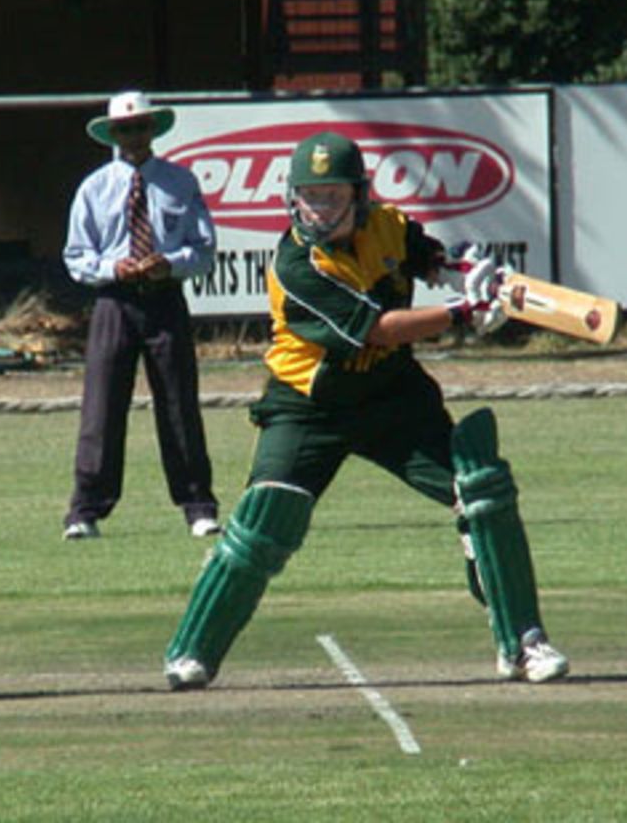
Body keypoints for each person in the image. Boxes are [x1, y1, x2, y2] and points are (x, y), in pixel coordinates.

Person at [163, 131, 569, 689]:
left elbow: (425, 258)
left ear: (360, 195)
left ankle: (523, 642)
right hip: (310, 406)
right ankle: (192, 651)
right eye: (309, 196)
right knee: (265, 521)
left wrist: (462, 271)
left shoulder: (388, 225)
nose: (319, 209)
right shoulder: (296, 266)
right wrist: (463, 311)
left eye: (332, 196)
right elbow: (380, 329)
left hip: (392, 395)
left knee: (482, 489)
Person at [61, 90, 220, 541]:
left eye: (140, 126)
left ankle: (198, 506)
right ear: (112, 134)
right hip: (114, 302)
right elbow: (76, 255)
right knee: (102, 407)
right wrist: (113, 267)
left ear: (154, 129)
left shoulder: (181, 182)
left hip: (165, 299)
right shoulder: (94, 188)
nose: (133, 135)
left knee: (178, 405)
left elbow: (204, 249)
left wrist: (171, 262)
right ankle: (85, 510)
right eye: (125, 128)